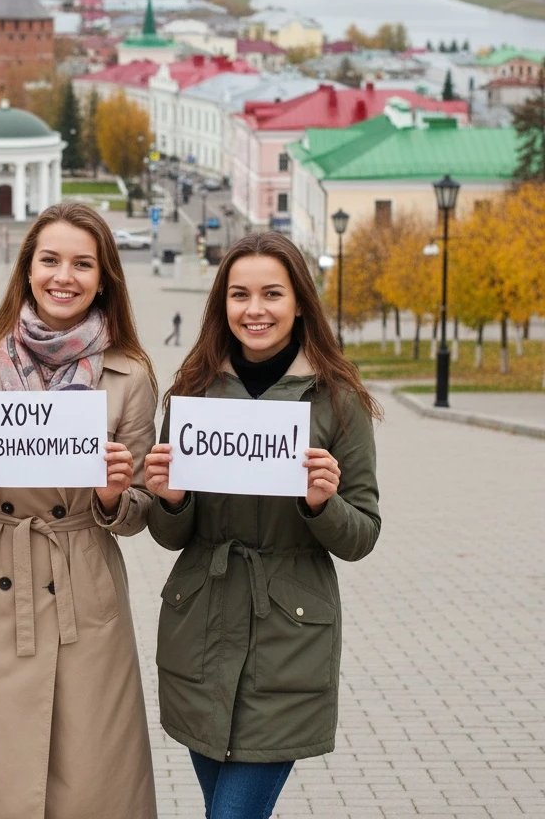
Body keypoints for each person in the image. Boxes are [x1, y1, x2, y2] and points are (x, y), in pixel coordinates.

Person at [0, 201, 160, 819]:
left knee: (93, 778)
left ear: (104, 276)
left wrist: (115, 496)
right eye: (50, 260)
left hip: (83, 581)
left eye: (83, 263)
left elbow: (142, 507)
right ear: (27, 270)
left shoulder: (131, 373)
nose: (65, 276)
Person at [144, 231, 381, 819]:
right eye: (239, 295)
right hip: (200, 630)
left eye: (272, 294)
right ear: (221, 305)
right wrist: (169, 501)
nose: (255, 310)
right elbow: (173, 535)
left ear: (299, 301)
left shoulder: (337, 399)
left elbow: (364, 534)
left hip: (287, 640)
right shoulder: (192, 393)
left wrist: (322, 504)